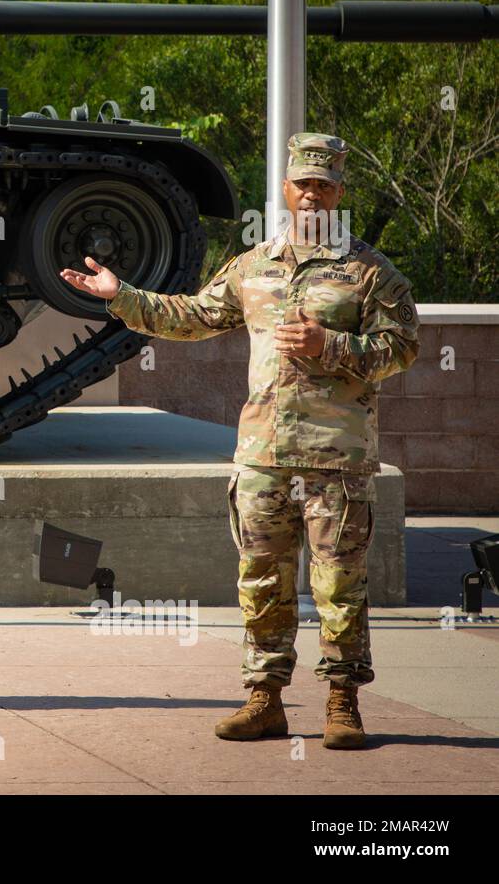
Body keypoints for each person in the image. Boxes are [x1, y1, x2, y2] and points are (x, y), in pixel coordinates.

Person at [61, 132, 419, 749]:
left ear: (339, 191)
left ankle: (341, 702)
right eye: (303, 183)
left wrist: (328, 346)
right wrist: (120, 297)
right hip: (262, 458)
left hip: (337, 460)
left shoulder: (370, 274)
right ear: (285, 190)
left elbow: (403, 350)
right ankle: (265, 699)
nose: (313, 195)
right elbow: (194, 316)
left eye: (325, 184)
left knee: (339, 586)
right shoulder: (256, 265)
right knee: (261, 581)